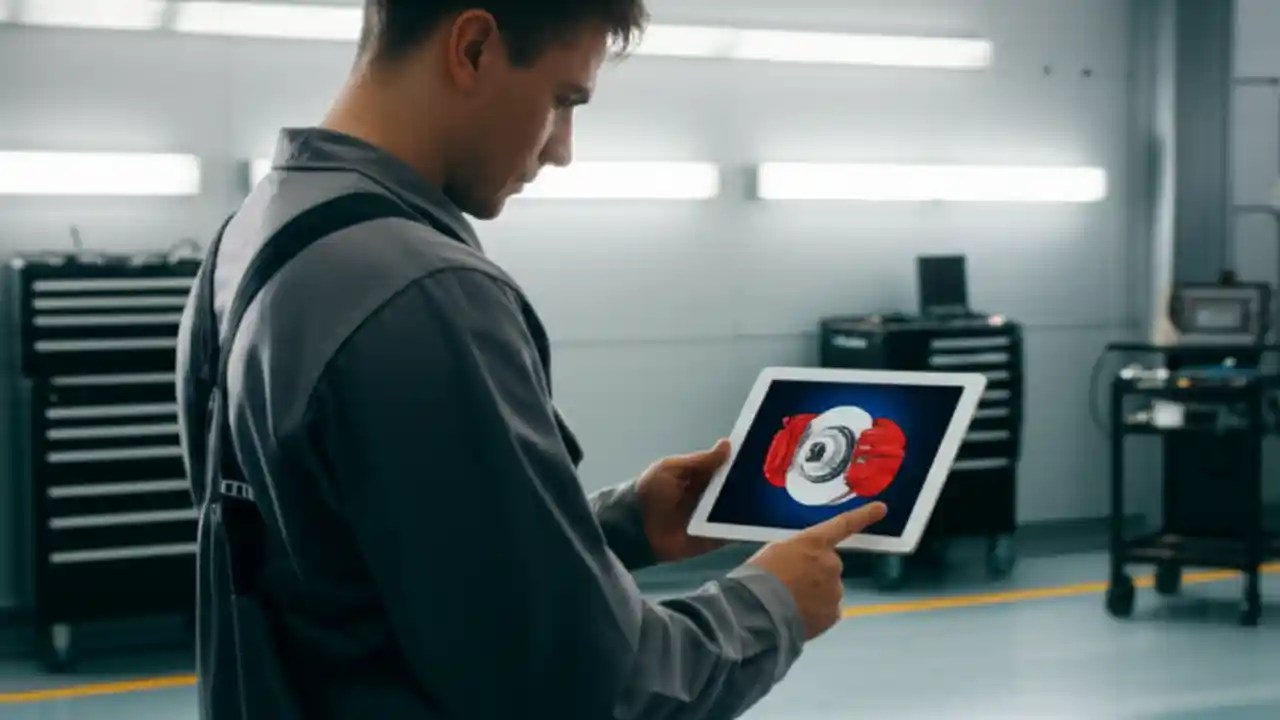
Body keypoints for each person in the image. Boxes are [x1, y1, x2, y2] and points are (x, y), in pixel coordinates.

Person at [175, 1, 889, 718]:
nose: (561, 149)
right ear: (475, 46)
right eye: (563, 99)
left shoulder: (251, 242)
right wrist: (770, 603)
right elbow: (590, 692)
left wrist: (624, 526)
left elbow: (354, 565)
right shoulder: (426, 292)